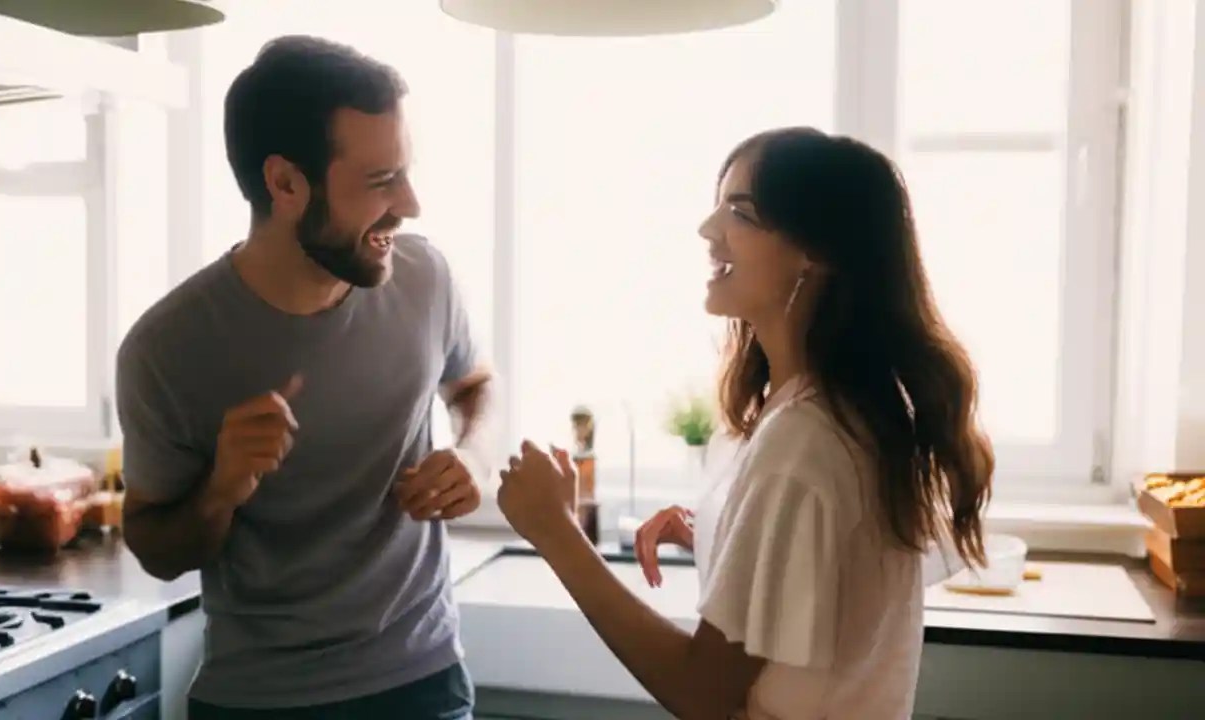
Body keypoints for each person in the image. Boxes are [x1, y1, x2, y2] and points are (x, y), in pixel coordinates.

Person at [497, 127, 994, 720]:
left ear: (817, 250)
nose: (709, 231)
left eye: (740, 212)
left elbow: (701, 692)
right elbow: (828, 588)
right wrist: (725, 534)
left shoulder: (801, 441)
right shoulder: (855, 413)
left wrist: (555, 532)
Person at [116, 35, 493, 720]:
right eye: (381, 182)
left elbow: (474, 386)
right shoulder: (166, 349)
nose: (410, 204)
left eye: (405, 173)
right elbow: (156, 551)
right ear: (286, 184)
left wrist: (472, 454)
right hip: (259, 701)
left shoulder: (426, 279)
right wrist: (221, 491)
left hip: (425, 681)